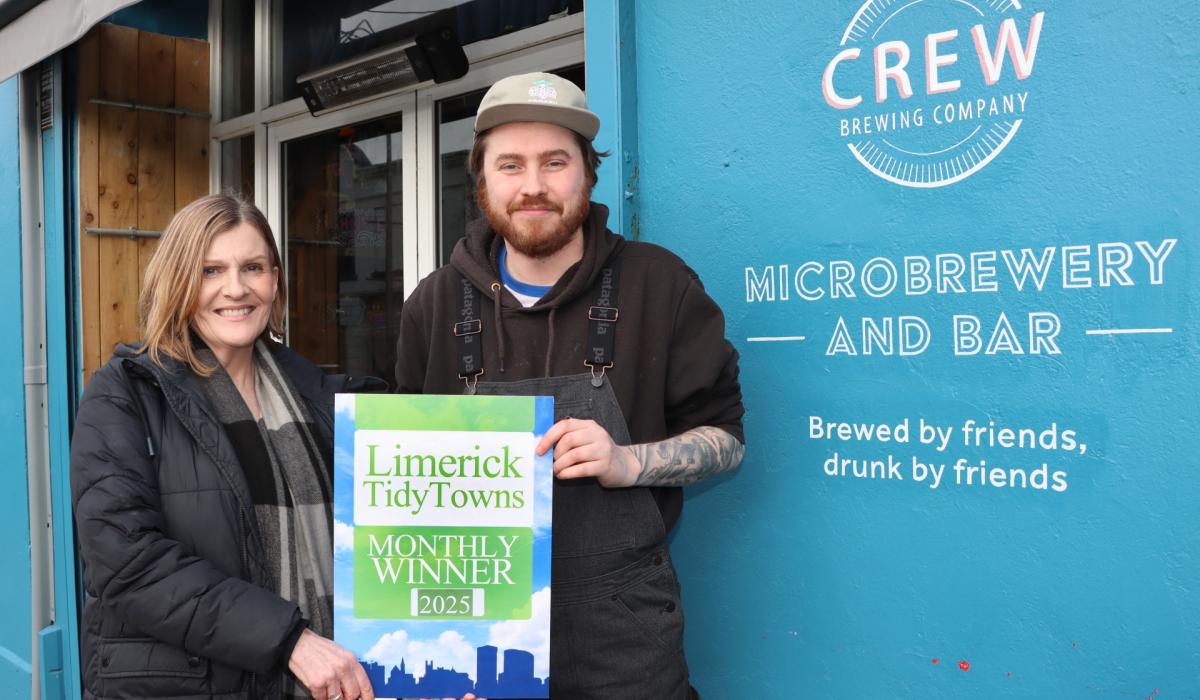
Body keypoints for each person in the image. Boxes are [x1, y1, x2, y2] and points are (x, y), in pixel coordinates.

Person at [394, 72, 746, 699]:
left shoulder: (659, 286)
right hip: (474, 627)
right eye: (511, 165)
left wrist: (627, 460)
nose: (533, 186)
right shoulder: (434, 304)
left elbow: (727, 439)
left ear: (587, 173)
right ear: (483, 181)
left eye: (555, 162)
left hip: (624, 631)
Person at [71, 195, 376, 700]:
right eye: (211, 270)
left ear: (274, 280)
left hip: (334, 685)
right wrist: (288, 639)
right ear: (178, 281)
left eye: (252, 267)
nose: (235, 288)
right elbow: (127, 563)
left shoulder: (322, 398)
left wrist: (541, 449)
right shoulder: (125, 395)